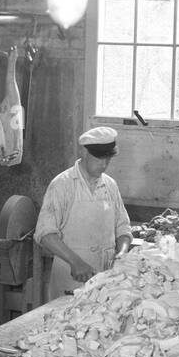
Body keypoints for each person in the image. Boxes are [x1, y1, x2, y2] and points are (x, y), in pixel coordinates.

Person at [34, 126, 132, 299]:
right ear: (85, 152)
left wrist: (122, 254)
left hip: (105, 277)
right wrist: (75, 262)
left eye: (108, 159)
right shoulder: (62, 184)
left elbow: (123, 227)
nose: (104, 165)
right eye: (99, 158)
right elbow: (45, 233)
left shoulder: (110, 185)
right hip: (72, 276)